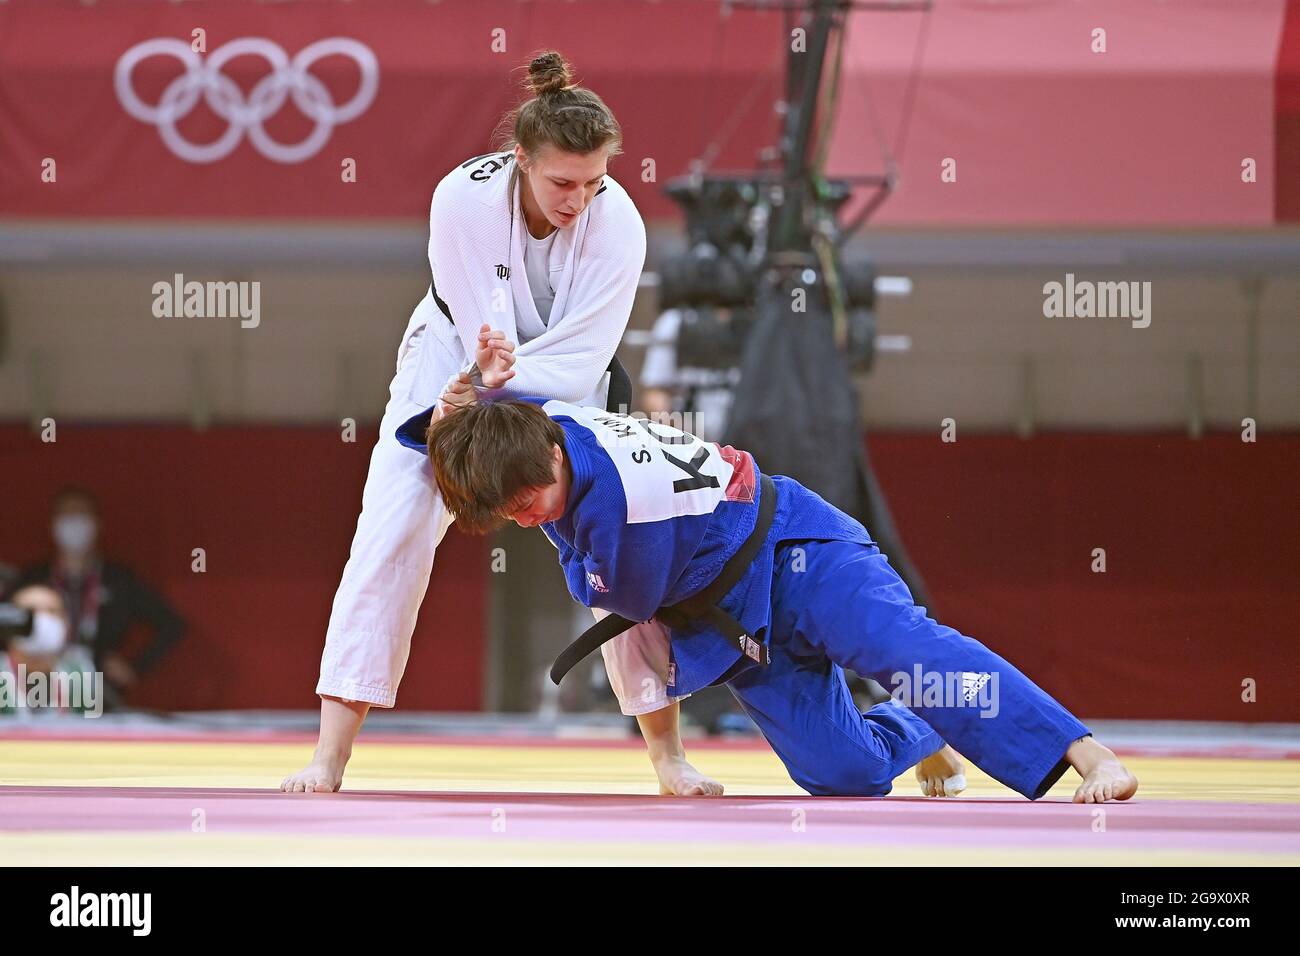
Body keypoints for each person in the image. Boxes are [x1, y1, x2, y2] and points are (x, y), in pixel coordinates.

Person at [283, 51, 716, 795]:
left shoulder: (621, 225)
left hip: (562, 377)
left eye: (594, 181)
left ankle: (668, 756)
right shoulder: (461, 199)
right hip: (453, 355)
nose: (579, 198)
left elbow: (579, 367)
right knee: (391, 527)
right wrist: (474, 386)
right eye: (561, 182)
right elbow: (483, 342)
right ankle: (330, 757)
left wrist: (501, 381)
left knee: (620, 532)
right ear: (520, 159)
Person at [408, 385, 1141, 804]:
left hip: (797, 550)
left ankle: (1085, 752)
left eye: (531, 495)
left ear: (554, 453)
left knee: (904, 648)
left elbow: (629, 626)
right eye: (509, 512)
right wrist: (462, 406)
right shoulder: (542, 428)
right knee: (841, 776)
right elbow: (501, 416)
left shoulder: (620, 514)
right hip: (731, 623)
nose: (527, 514)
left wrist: (668, 757)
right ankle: (923, 730)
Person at [16, 487, 184, 709]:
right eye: (67, 515)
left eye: (82, 515)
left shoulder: (119, 579)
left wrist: (135, 667)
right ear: (53, 524)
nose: (74, 523)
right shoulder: (33, 578)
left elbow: (172, 624)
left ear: (97, 524)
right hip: (38, 690)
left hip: (101, 692)